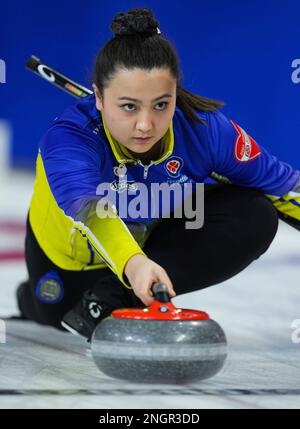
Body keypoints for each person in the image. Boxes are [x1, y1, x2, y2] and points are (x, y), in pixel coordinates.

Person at [17, 8, 300, 341]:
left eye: (161, 105)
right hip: (74, 265)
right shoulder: (68, 138)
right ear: (98, 97)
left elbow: (284, 188)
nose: (145, 124)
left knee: (255, 214)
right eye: (129, 106)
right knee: (50, 310)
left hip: (147, 247)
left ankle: (122, 296)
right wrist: (134, 264)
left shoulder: (204, 131)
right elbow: (92, 213)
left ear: (175, 95)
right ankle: (35, 299)